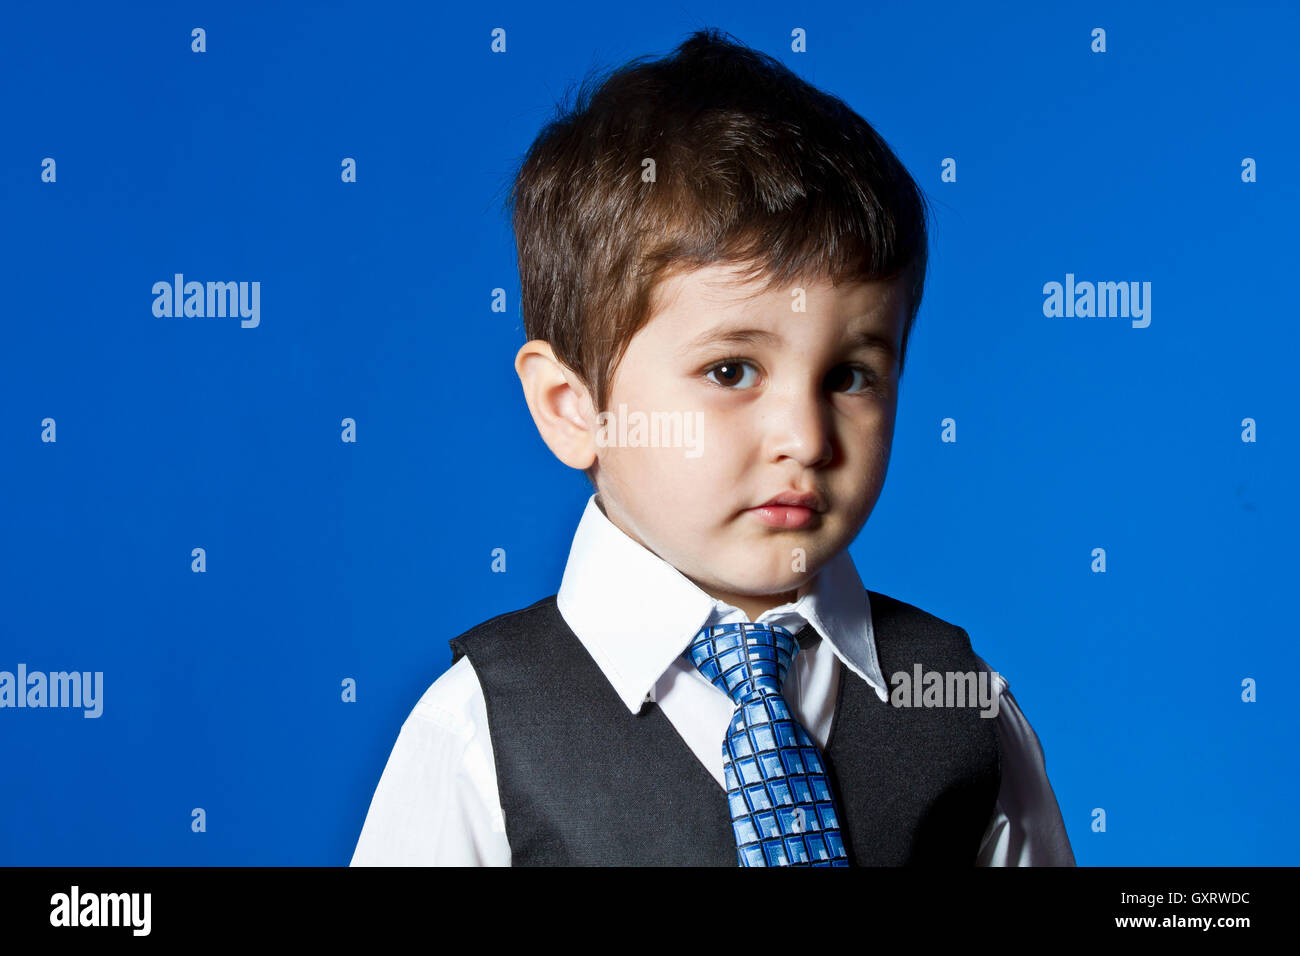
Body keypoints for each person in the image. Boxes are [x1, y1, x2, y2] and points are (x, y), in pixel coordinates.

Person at [351, 27, 1074, 866]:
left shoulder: (960, 706)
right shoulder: (479, 731)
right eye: (731, 370)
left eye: (849, 377)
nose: (804, 438)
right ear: (570, 406)